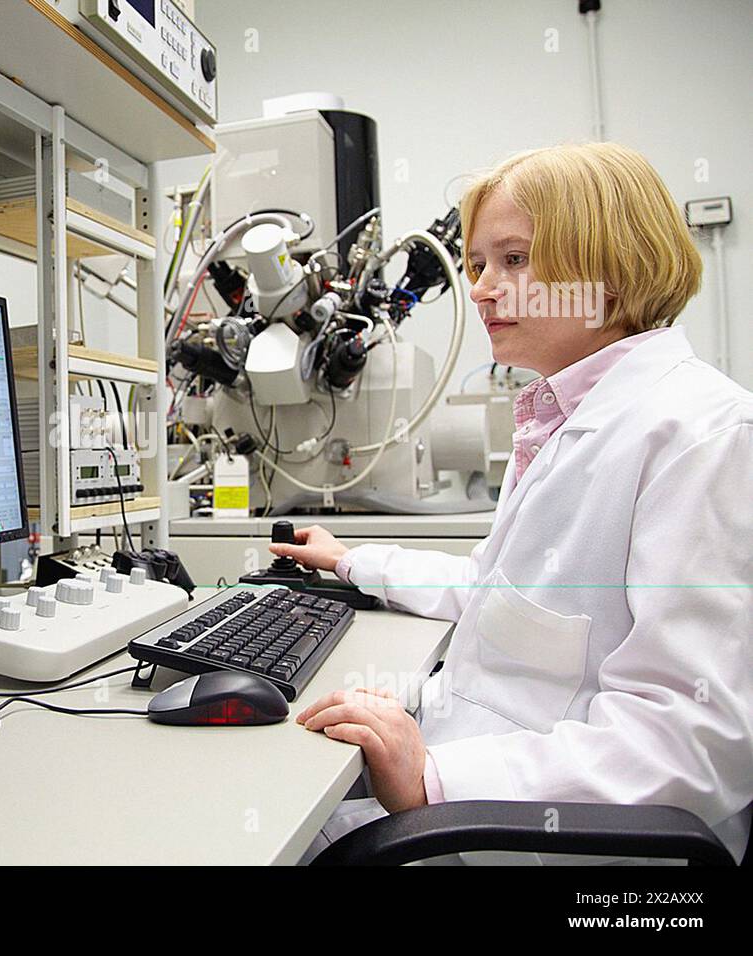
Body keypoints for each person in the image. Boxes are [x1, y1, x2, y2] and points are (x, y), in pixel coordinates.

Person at [270, 143, 753, 863]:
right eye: (477, 265)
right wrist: (353, 561)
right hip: (484, 787)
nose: (483, 290)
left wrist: (435, 779)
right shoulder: (573, 417)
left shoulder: (699, 435)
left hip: (553, 846)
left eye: (515, 260)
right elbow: (507, 595)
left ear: (610, 268)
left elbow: (691, 743)